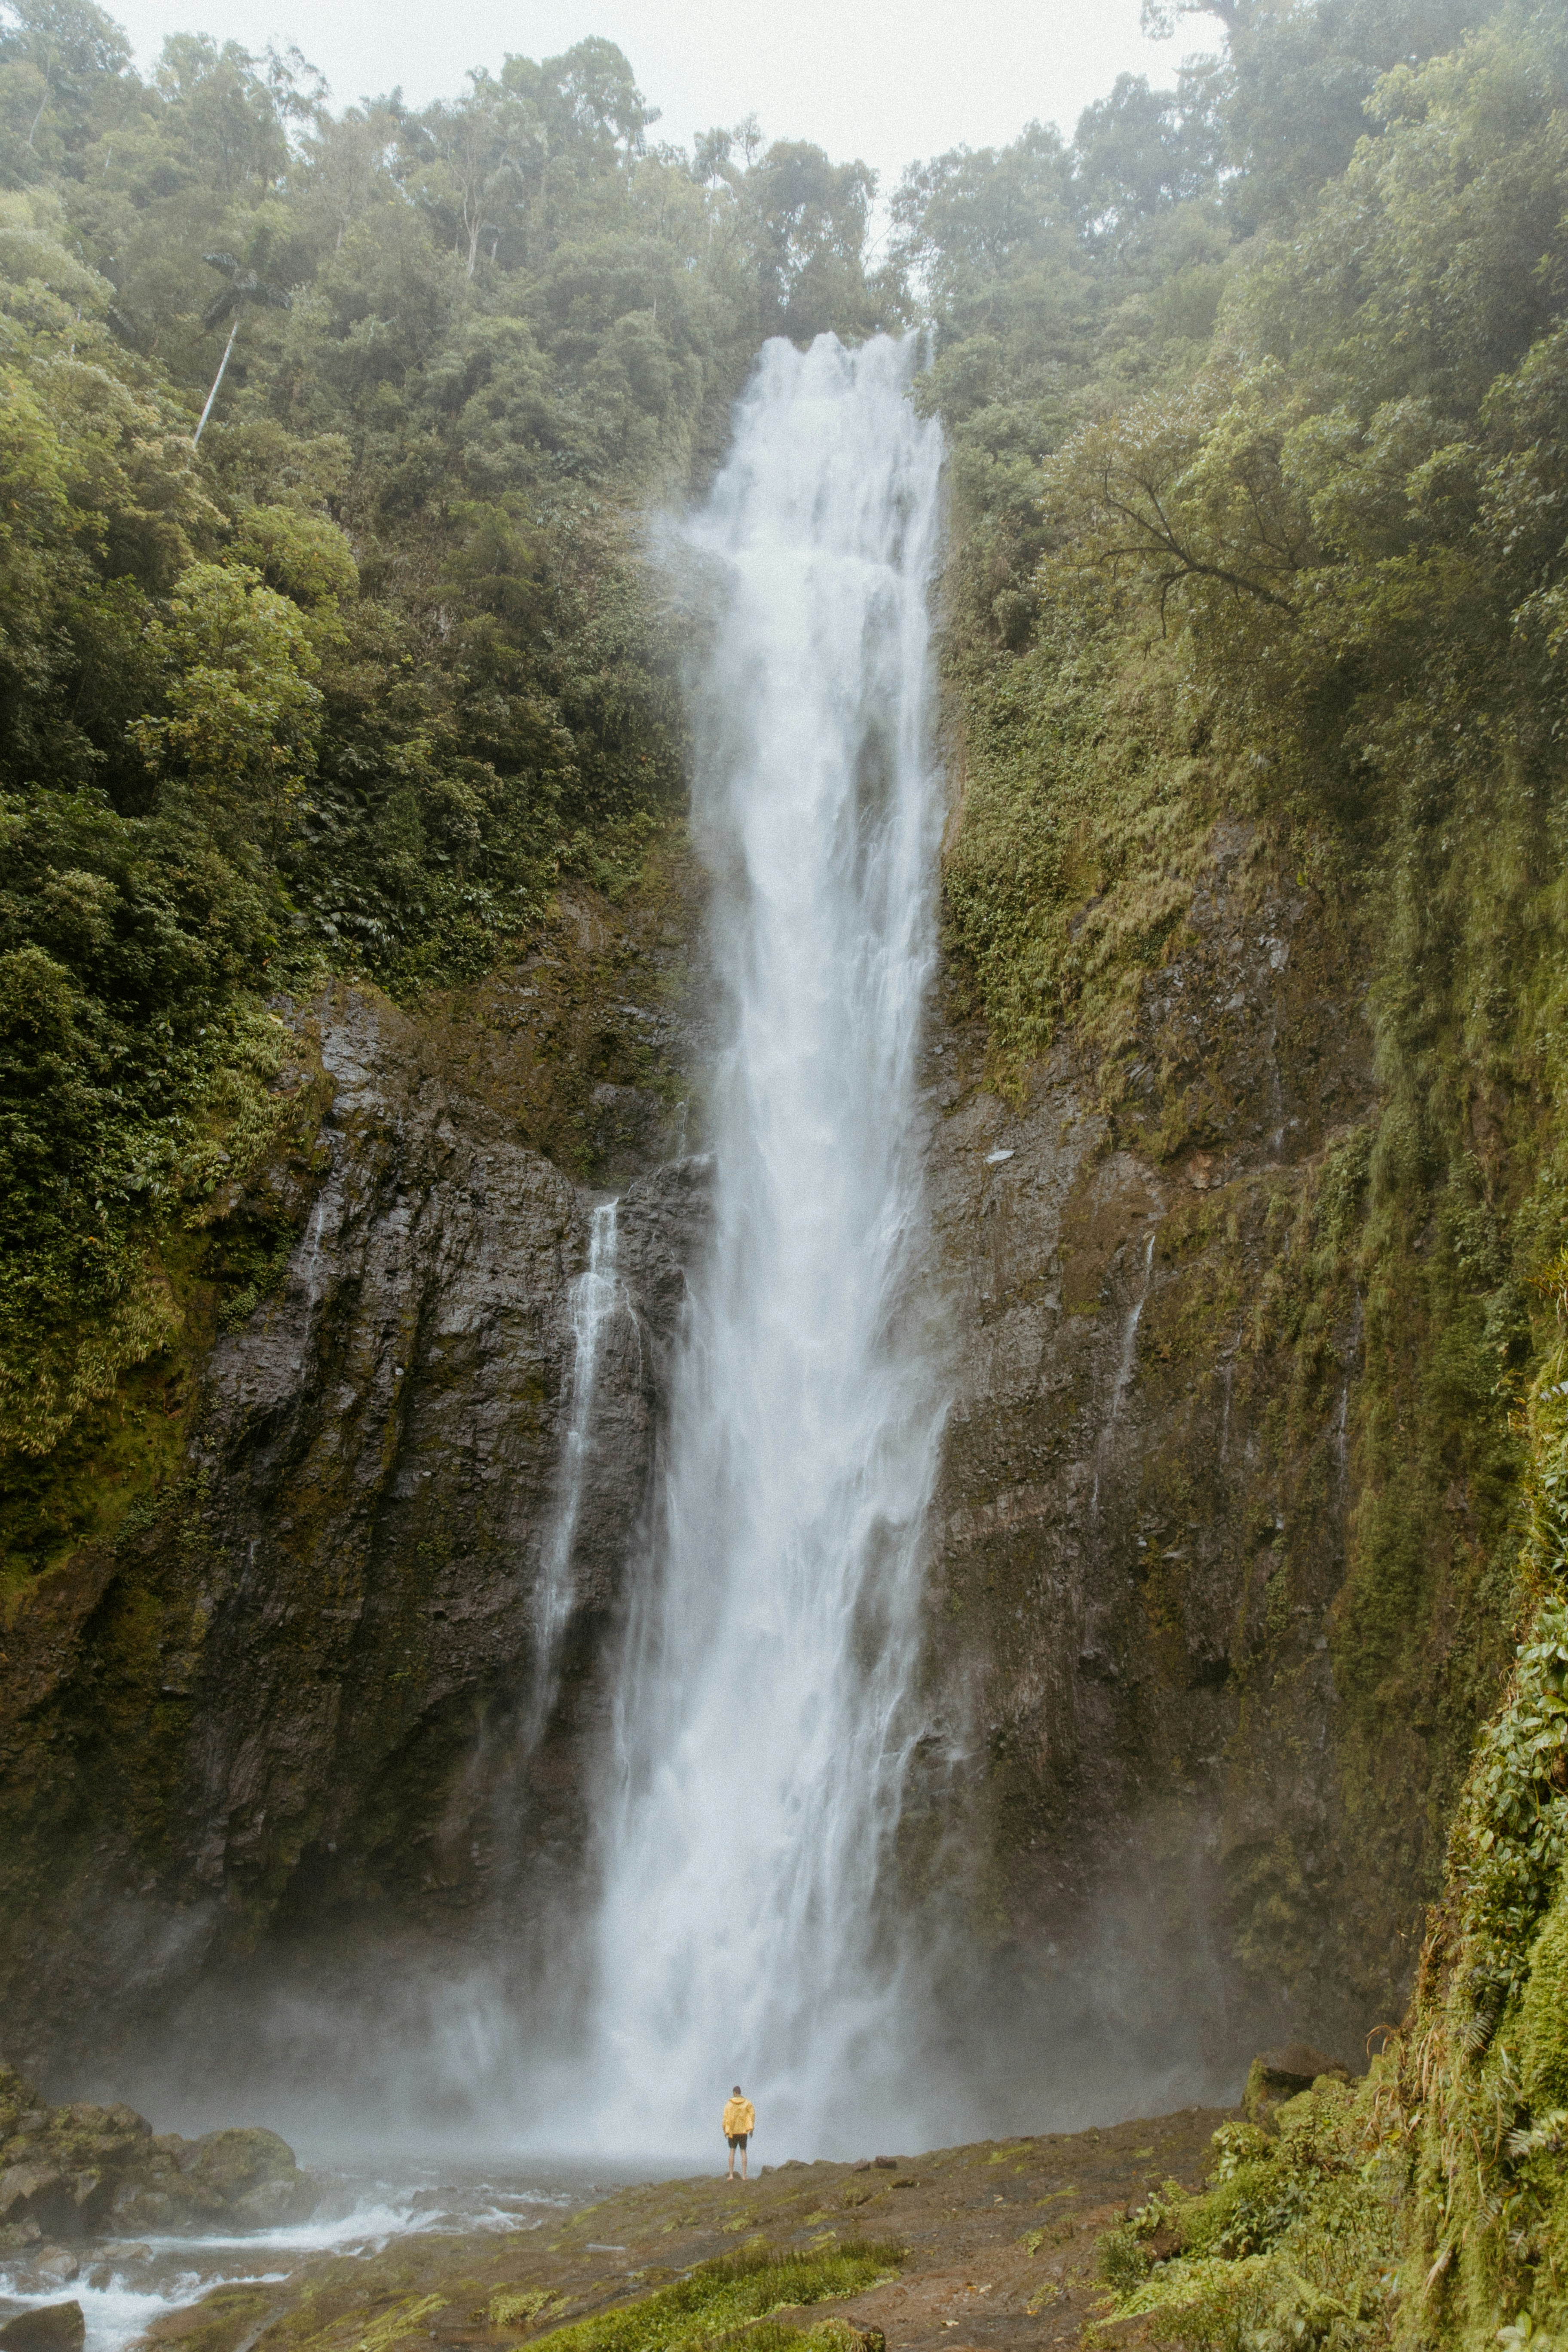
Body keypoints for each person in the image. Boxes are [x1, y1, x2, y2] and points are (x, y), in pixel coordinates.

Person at [722, 2084, 755, 2180]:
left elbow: (725, 2118)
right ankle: (744, 2176)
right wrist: (751, 2129)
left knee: (732, 2151)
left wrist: (725, 2130)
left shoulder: (729, 2104)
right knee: (743, 2152)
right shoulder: (747, 2103)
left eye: (733, 2093)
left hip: (733, 2132)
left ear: (735, 2093)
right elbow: (752, 2115)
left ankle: (731, 2175)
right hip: (743, 2131)